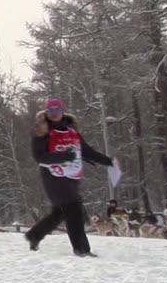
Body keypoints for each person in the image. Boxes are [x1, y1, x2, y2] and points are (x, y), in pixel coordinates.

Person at [24, 98, 116, 257]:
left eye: (57, 111)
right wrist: (63, 156)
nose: (54, 114)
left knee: (60, 212)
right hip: (52, 176)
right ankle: (81, 249)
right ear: (47, 113)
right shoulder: (41, 131)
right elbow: (39, 157)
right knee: (74, 208)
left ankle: (35, 234)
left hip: (72, 176)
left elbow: (86, 151)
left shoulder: (71, 129)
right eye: (51, 111)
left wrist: (108, 161)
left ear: (62, 111)